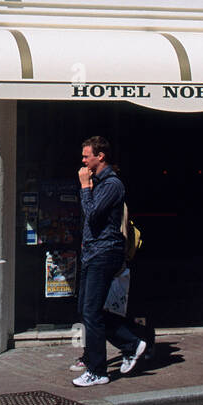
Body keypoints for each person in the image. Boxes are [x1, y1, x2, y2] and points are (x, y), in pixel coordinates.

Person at [72, 135, 148, 387]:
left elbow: (93, 214)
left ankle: (98, 371)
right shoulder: (98, 182)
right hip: (93, 252)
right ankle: (132, 344)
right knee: (88, 310)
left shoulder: (112, 184)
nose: (83, 160)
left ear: (100, 156)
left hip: (105, 253)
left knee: (92, 312)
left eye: (86, 155)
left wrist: (84, 187)